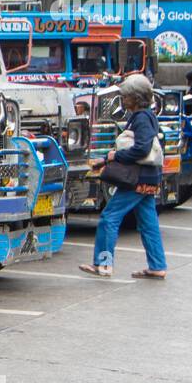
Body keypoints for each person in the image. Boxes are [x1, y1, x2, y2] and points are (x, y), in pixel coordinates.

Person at [80, 74, 167, 279]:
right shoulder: (148, 115)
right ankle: (157, 266)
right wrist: (107, 159)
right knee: (148, 222)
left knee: (109, 217)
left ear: (136, 98)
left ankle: (103, 264)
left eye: (126, 96)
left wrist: (115, 155)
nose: (123, 99)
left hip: (137, 178)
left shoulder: (141, 118)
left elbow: (142, 149)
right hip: (149, 177)